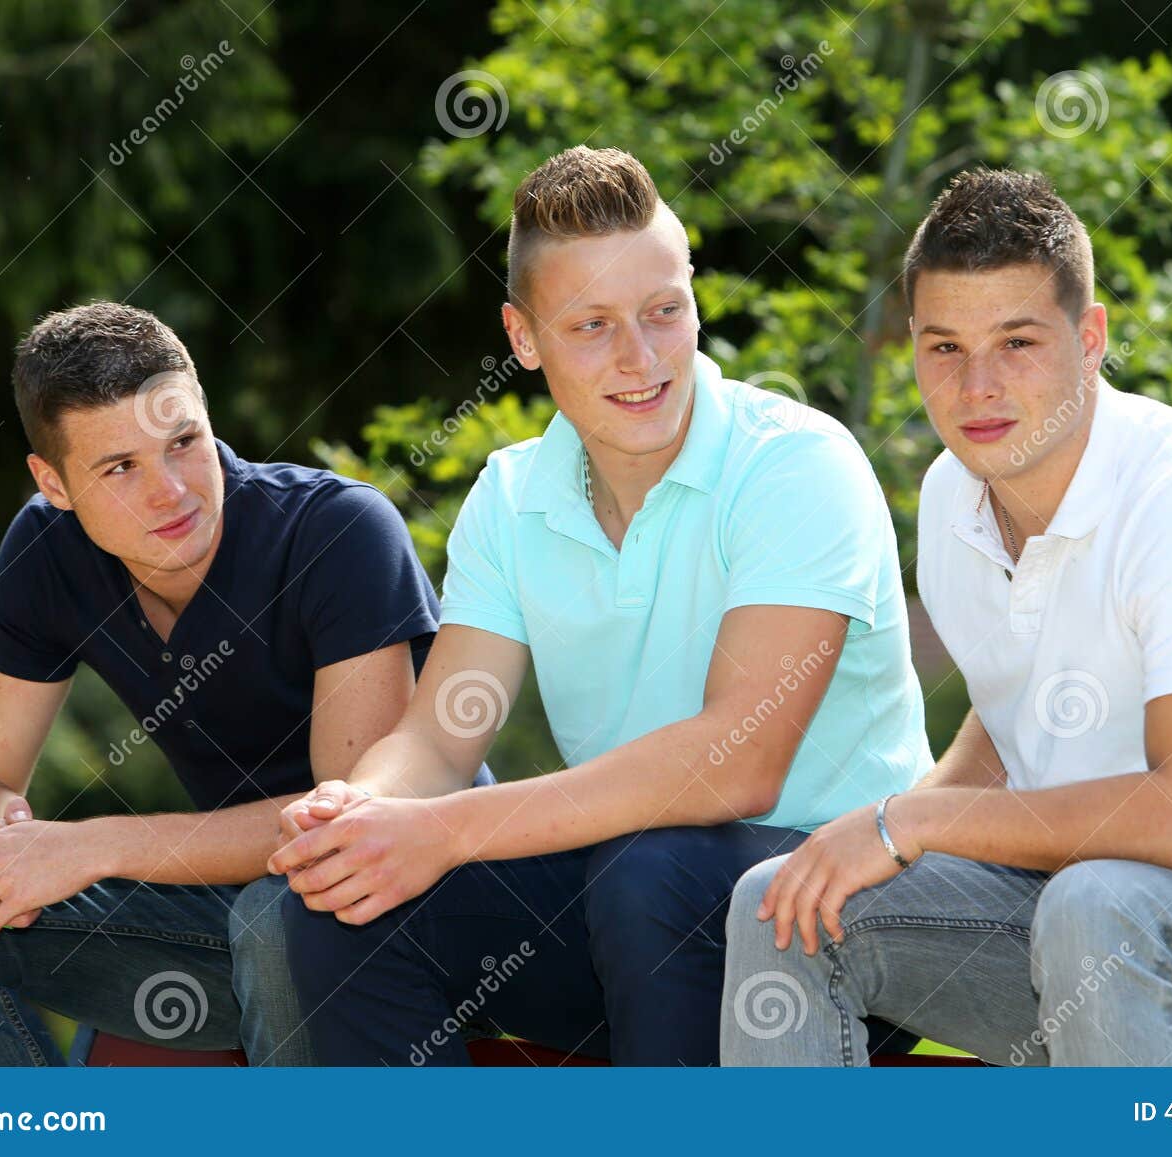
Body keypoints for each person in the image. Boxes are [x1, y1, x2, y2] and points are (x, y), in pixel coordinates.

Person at [720, 169, 1172, 1067]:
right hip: (1073, 916)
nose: (977, 385)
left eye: (1017, 342)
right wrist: (879, 834)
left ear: (1090, 341)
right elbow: (1009, 718)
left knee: (1099, 904)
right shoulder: (951, 494)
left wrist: (908, 822)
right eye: (944, 347)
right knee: (785, 899)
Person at [274, 146, 933, 1066]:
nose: (641, 357)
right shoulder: (512, 496)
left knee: (647, 869)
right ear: (523, 338)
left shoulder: (796, 463)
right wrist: (363, 809)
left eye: (664, 311)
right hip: (640, 916)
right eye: (591, 325)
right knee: (345, 901)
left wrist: (446, 829)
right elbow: (438, 741)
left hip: (847, 911)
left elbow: (738, 764)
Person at [0, 301, 477, 1066]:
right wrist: (2, 849)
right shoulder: (46, 551)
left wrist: (95, 845)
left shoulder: (338, 531)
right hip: (231, 912)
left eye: (184, 442)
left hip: (402, 911)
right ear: (54, 483)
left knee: (280, 917)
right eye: (120, 468)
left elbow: (344, 823)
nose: (171, 491)